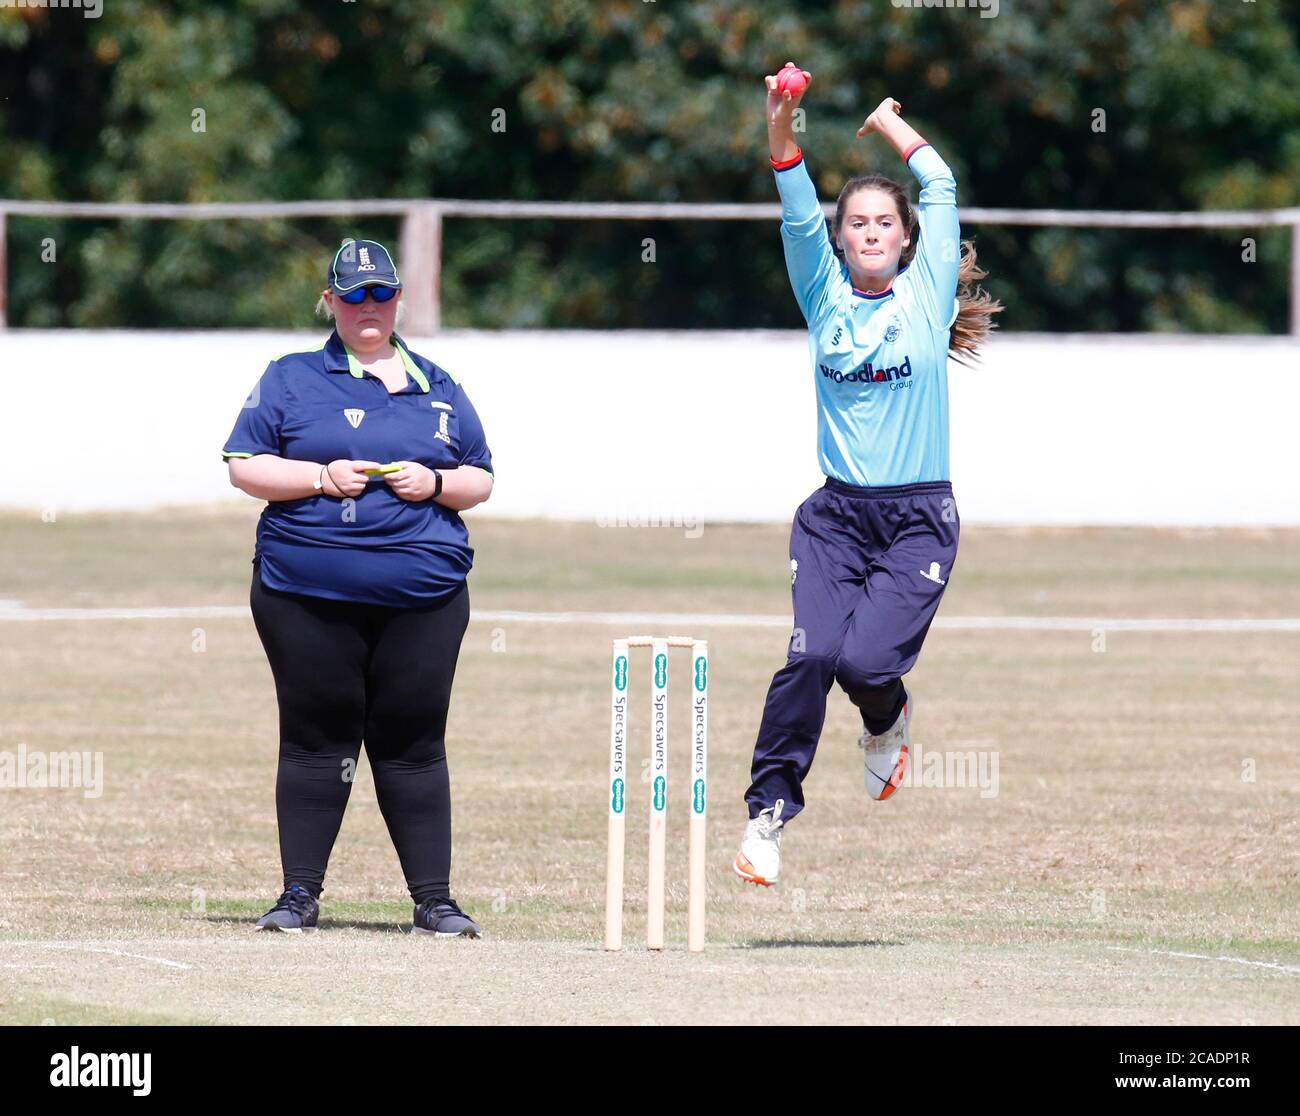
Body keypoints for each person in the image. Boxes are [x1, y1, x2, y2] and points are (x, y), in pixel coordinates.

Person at [734, 66, 1002, 887]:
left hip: (919, 517)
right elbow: (787, 183)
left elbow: (941, 179)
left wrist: (889, 122)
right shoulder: (821, 292)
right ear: (841, 239)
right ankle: (769, 813)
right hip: (835, 519)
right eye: (857, 222)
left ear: (906, 238)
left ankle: (886, 720)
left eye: (886, 221)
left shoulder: (923, 298)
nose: (872, 231)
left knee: (865, 668)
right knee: (812, 655)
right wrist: (782, 121)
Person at [222, 238, 495, 935]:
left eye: (381, 294)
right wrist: (319, 477)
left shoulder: (440, 385)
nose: (368, 308)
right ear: (330, 302)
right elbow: (244, 465)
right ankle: (297, 898)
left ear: (399, 299)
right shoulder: (289, 377)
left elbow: (481, 478)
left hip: (424, 594)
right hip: (304, 590)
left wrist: (433, 482)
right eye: (353, 296)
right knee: (318, 736)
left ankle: (435, 902)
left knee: (412, 741)